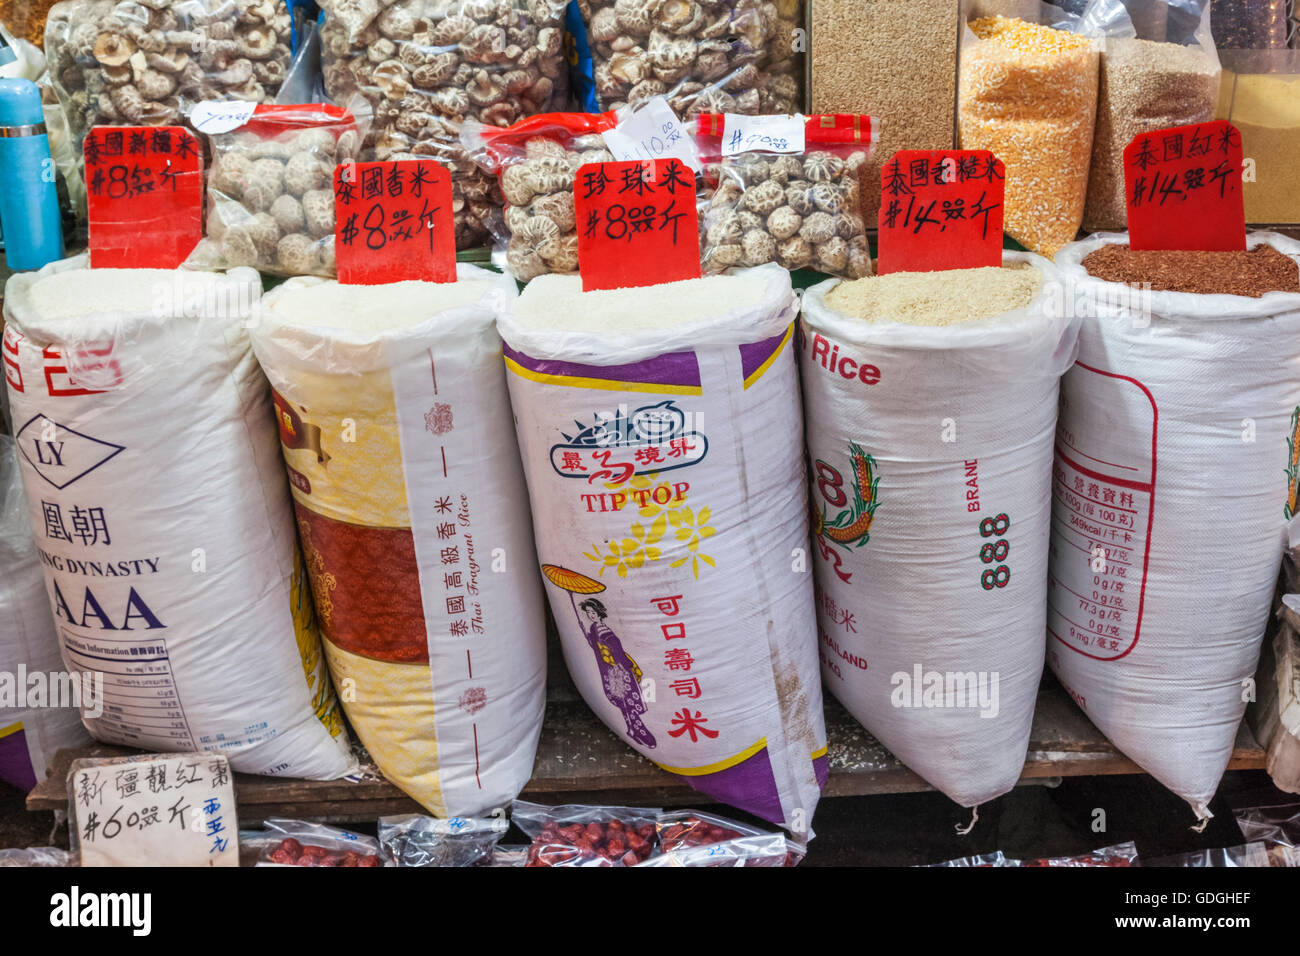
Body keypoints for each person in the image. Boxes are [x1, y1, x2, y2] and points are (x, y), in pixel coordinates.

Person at [578, 597, 656, 748]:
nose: (591, 615)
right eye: (588, 612)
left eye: (593, 612)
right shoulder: (595, 629)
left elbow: (617, 652)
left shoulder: (603, 630)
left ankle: (634, 729)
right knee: (626, 701)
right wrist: (584, 632)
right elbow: (599, 649)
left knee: (626, 701)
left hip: (617, 669)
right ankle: (637, 730)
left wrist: (627, 666)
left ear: (599, 613)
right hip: (613, 671)